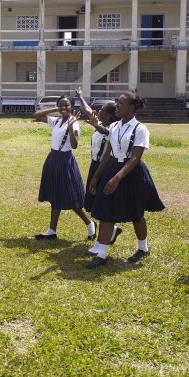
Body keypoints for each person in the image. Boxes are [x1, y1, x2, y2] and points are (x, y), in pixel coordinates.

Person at [87, 92, 165, 268]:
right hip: (113, 167)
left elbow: (135, 158)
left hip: (132, 173)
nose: (117, 106)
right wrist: (96, 177)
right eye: (117, 103)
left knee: (136, 213)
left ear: (132, 107)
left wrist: (117, 178)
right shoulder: (114, 126)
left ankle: (143, 249)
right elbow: (107, 154)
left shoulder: (140, 129)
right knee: (106, 212)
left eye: (121, 103)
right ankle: (101, 254)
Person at [33, 94, 97, 241]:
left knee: (71, 197)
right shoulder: (56, 121)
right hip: (53, 159)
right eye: (61, 105)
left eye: (67, 105)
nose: (64, 107)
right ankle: (51, 231)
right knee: (55, 195)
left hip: (64, 161)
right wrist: (57, 108)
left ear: (72, 107)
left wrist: (69, 126)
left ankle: (90, 224)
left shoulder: (74, 124)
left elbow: (74, 146)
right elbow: (37, 115)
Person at [74, 88, 124, 255]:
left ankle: (103, 238)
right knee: (94, 201)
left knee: (101, 202)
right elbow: (88, 110)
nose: (97, 111)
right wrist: (80, 97)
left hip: (104, 168)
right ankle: (112, 230)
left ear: (109, 115)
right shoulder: (100, 124)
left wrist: (97, 176)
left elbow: (107, 141)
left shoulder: (112, 130)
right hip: (94, 165)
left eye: (101, 110)